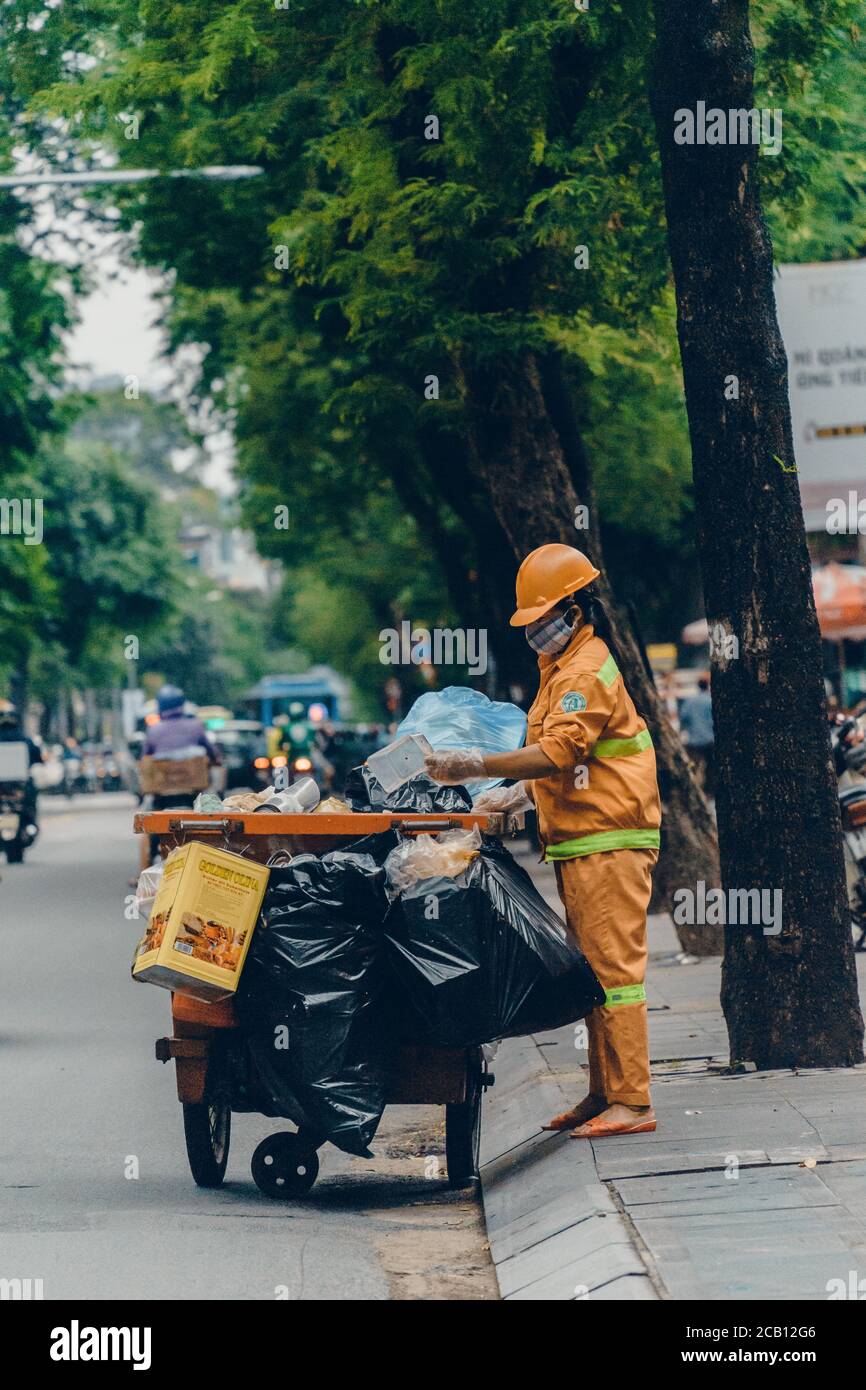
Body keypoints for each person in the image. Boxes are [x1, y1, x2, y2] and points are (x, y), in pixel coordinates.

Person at [425, 543, 661, 1139]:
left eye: (543, 619)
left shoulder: (584, 671)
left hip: (610, 838)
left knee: (615, 975)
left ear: (576, 609)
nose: (536, 632)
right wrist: (517, 796)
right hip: (584, 839)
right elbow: (567, 765)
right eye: (529, 623)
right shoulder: (562, 668)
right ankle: (602, 1092)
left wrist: (473, 766)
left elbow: (561, 751)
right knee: (593, 975)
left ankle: (632, 1102)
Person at [139, 686, 220, 868]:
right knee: (218, 808)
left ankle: (147, 864)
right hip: (195, 789)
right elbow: (212, 753)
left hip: (161, 793)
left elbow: (145, 759)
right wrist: (216, 760)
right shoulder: (196, 726)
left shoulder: (153, 730)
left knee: (148, 817)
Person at [0, 698, 43, 828]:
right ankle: (31, 822)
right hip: (21, 784)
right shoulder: (24, 739)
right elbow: (37, 756)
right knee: (31, 794)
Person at [678, 673, 715, 796]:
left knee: (692, 767)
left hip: (693, 742)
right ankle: (708, 792)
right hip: (710, 741)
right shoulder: (711, 701)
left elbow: (683, 718)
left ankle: (691, 790)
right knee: (710, 768)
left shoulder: (690, 702)